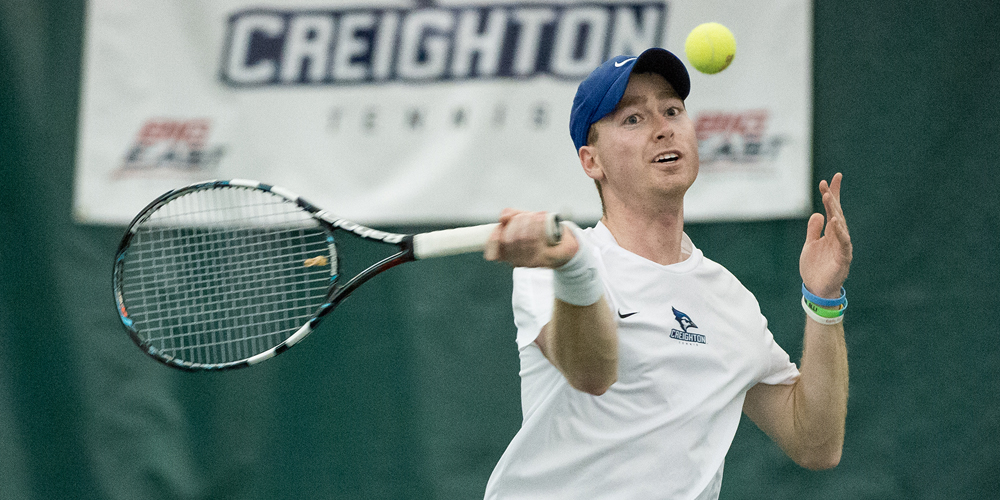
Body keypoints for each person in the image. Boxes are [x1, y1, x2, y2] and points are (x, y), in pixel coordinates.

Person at [482, 48, 851, 499]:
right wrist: (573, 266)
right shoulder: (559, 265)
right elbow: (591, 374)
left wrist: (823, 301)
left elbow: (815, 444)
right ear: (591, 161)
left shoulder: (729, 299)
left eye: (672, 110)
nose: (663, 128)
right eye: (633, 119)